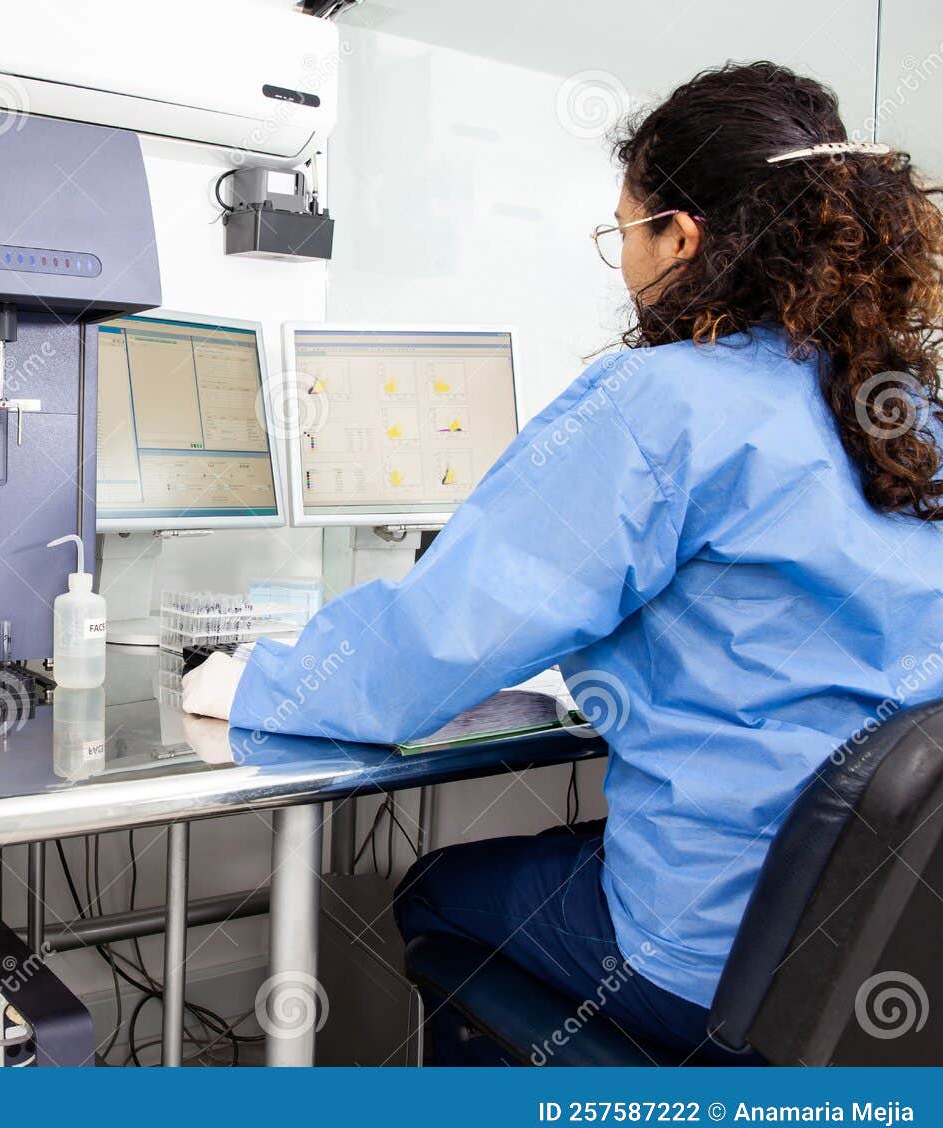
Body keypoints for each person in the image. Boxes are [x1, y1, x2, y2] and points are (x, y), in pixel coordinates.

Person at [182, 62, 943, 1062]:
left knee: (432, 892)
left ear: (682, 237)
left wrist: (251, 681)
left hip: (713, 955)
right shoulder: (906, 412)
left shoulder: (661, 401)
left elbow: (428, 649)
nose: (623, 261)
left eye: (624, 230)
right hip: (884, 946)